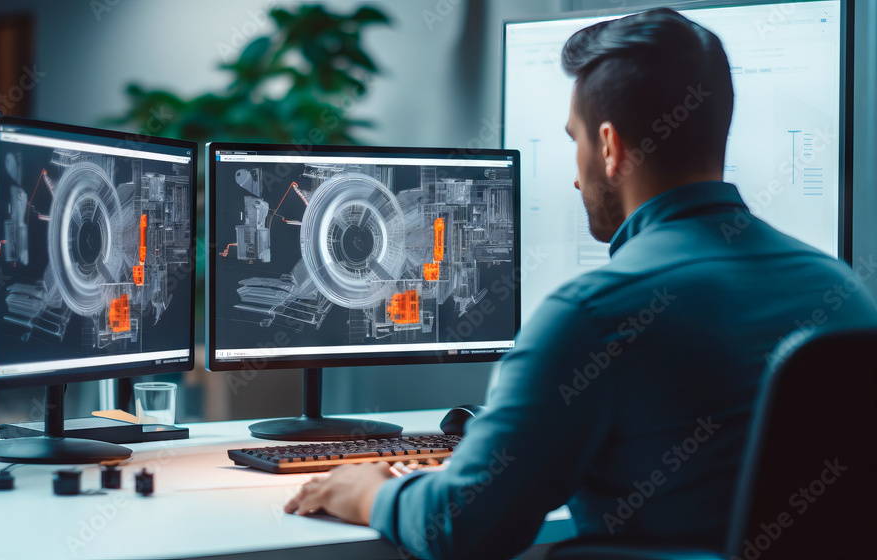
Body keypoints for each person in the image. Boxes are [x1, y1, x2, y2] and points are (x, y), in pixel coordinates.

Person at [283, 8, 877, 559]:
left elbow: (463, 525)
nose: (574, 176)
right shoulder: (843, 292)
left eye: (575, 141)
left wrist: (368, 493)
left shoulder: (594, 313)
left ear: (610, 147)